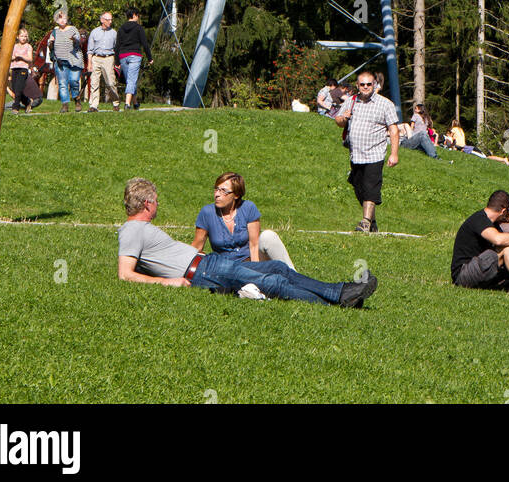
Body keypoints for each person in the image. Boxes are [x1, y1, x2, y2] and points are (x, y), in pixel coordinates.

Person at [118, 178, 377, 307]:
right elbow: (125, 275)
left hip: (209, 263)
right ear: (148, 203)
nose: (158, 205)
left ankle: (342, 295)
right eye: (156, 201)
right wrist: (169, 281)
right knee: (273, 283)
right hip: (202, 272)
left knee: (280, 269)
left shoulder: (140, 230)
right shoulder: (132, 230)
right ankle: (340, 296)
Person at [334, 71, 399, 234]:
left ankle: (365, 222)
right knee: (359, 188)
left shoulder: (385, 104)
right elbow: (338, 122)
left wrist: (394, 153)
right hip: (356, 154)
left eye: (369, 84)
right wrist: (343, 118)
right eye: (362, 84)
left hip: (375, 153)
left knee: (371, 187)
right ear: (357, 85)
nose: (365, 87)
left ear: (374, 85)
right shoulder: (351, 101)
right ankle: (372, 222)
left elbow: (394, 130)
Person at [192, 171, 294, 268]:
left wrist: (255, 273)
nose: (217, 194)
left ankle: (295, 277)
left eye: (223, 191)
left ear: (236, 195)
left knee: (268, 236)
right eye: (216, 189)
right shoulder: (207, 213)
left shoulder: (248, 208)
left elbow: (254, 245)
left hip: (250, 263)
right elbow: (196, 248)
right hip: (224, 268)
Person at [48, 9, 84, 113]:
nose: (62, 20)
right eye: (60, 18)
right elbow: (49, 44)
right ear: (56, 20)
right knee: (62, 83)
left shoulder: (73, 29)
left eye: (64, 18)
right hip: (60, 61)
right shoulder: (54, 31)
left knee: (74, 81)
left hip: (74, 60)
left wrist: (75, 40)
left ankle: (77, 99)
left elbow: (79, 40)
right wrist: (50, 43)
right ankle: (65, 104)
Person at [115, 8, 152, 109]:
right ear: (134, 15)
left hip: (123, 56)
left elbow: (117, 45)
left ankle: (135, 103)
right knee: (131, 80)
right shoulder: (138, 28)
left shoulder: (121, 28)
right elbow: (144, 43)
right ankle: (127, 104)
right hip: (135, 55)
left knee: (130, 80)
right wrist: (150, 58)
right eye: (138, 15)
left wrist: (116, 61)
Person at [87, 11, 120, 113]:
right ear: (102, 20)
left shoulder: (114, 33)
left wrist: (117, 62)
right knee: (94, 82)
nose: (110, 21)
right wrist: (89, 64)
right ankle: (94, 105)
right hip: (96, 58)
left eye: (111, 19)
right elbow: (90, 50)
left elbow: (117, 48)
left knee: (110, 83)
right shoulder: (94, 32)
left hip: (108, 58)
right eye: (107, 19)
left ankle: (116, 102)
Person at [9, 26, 34, 112]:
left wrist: (21, 56)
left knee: (19, 88)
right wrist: (13, 57)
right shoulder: (14, 46)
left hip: (23, 69)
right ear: (18, 37)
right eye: (22, 36)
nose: (24, 38)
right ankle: (27, 101)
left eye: (25, 36)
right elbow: (10, 57)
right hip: (14, 68)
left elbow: (30, 59)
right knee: (15, 89)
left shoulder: (28, 46)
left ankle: (15, 107)